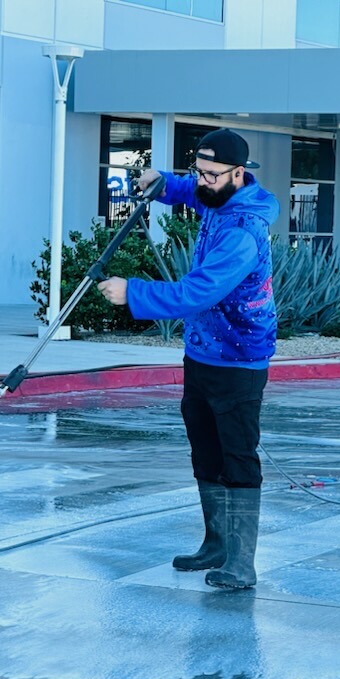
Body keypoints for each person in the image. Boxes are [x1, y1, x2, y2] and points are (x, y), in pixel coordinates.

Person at [98, 128, 279, 590]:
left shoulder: (242, 231)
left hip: (238, 359)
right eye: (199, 170)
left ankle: (241, 562)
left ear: (239, 174)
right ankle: (215, 545)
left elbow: (198, 292)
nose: (203, 181)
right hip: (201, 353)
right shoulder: (217, 198)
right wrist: (165, 183)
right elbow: (193, 193)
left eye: (212, 174)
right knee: (205, 449)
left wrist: (132, 292)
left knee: (237, 456)